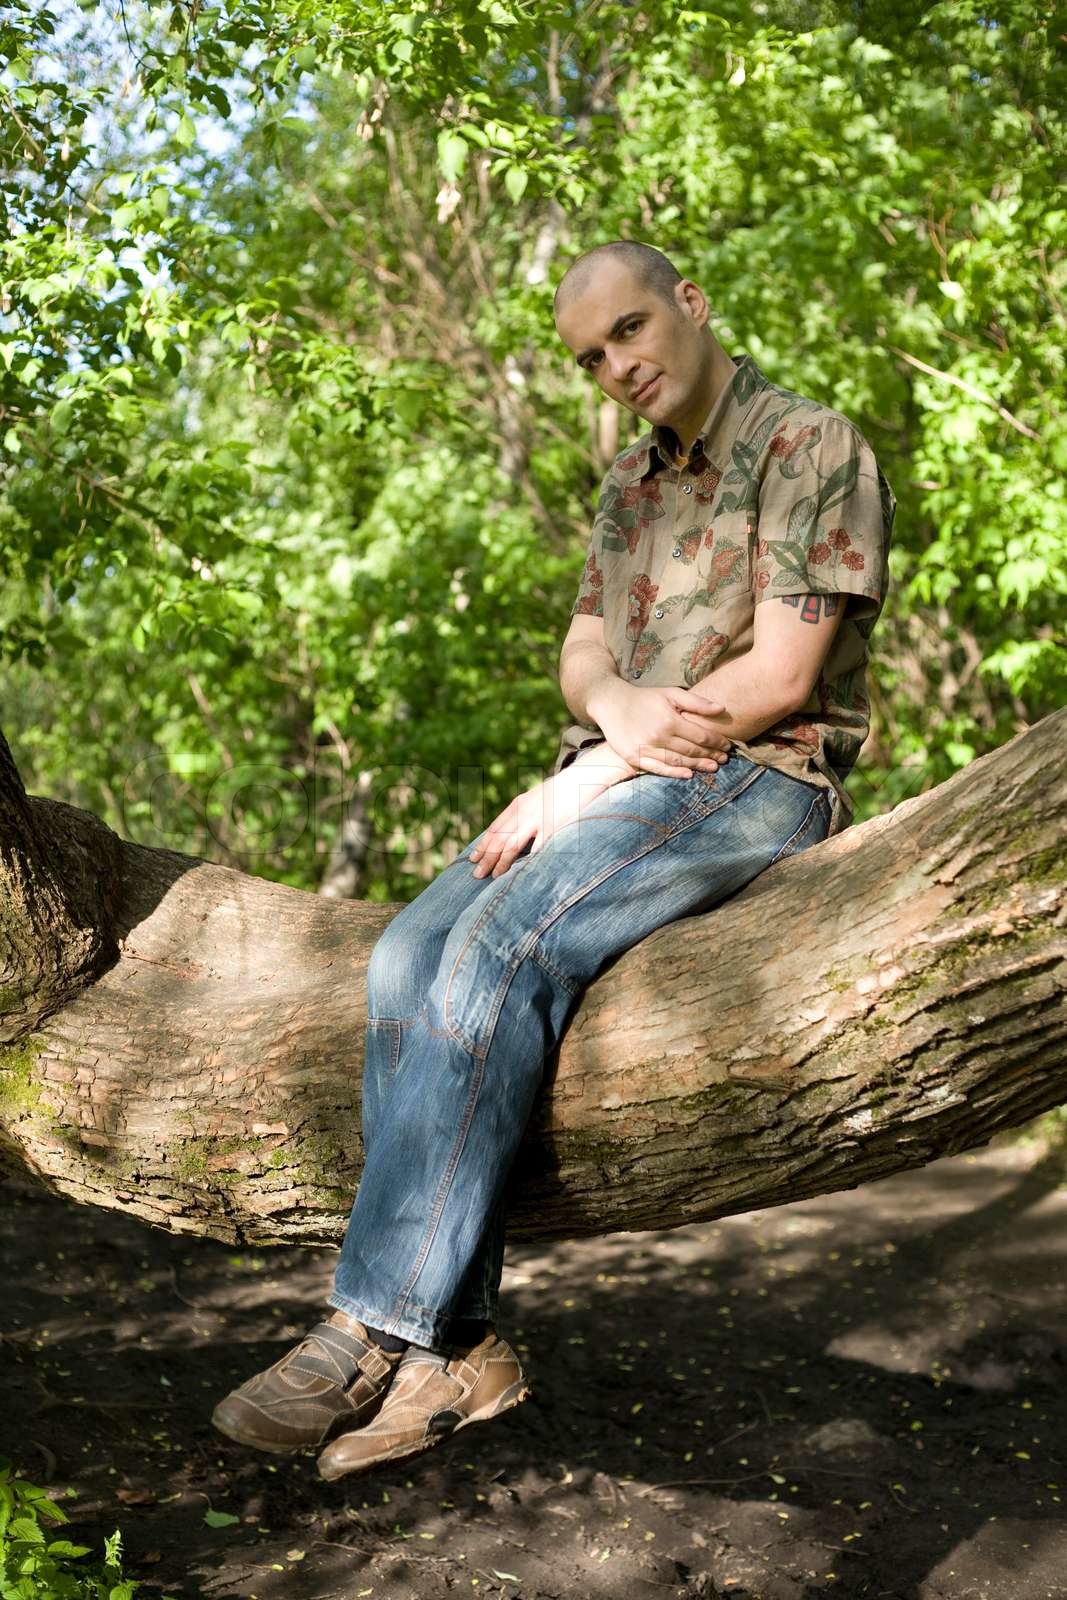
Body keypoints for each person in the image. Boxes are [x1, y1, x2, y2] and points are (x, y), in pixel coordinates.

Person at [212, 241, 896, 1481]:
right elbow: (581, 654)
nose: (616, 368)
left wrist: (592, 765)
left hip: (756, 777)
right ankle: (457, 1348)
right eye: (591, 357)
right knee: (406, 952)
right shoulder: (630, 480)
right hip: (631, 769)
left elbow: (783, 679)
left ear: (691, 301)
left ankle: (371, 1328)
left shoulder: (807, 446)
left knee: (499, 946)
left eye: (630, 331)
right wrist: (607, 719)